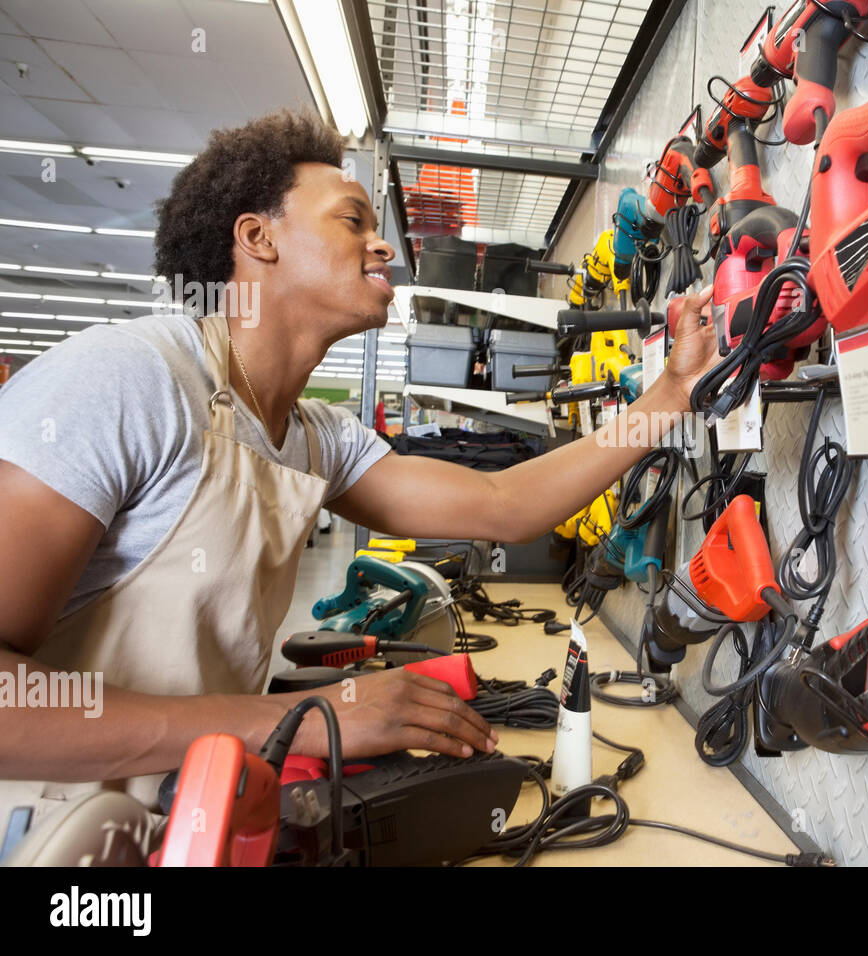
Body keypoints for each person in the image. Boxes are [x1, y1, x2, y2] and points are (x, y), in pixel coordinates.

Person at [0, 109, 718, 827]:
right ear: (258, 239)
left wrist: (671, 394)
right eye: (352, 220)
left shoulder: (316, 438)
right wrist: (298, 721)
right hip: (44, 834)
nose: (382, 246)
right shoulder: (129, 378)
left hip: (190, 818)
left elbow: (504, 505)